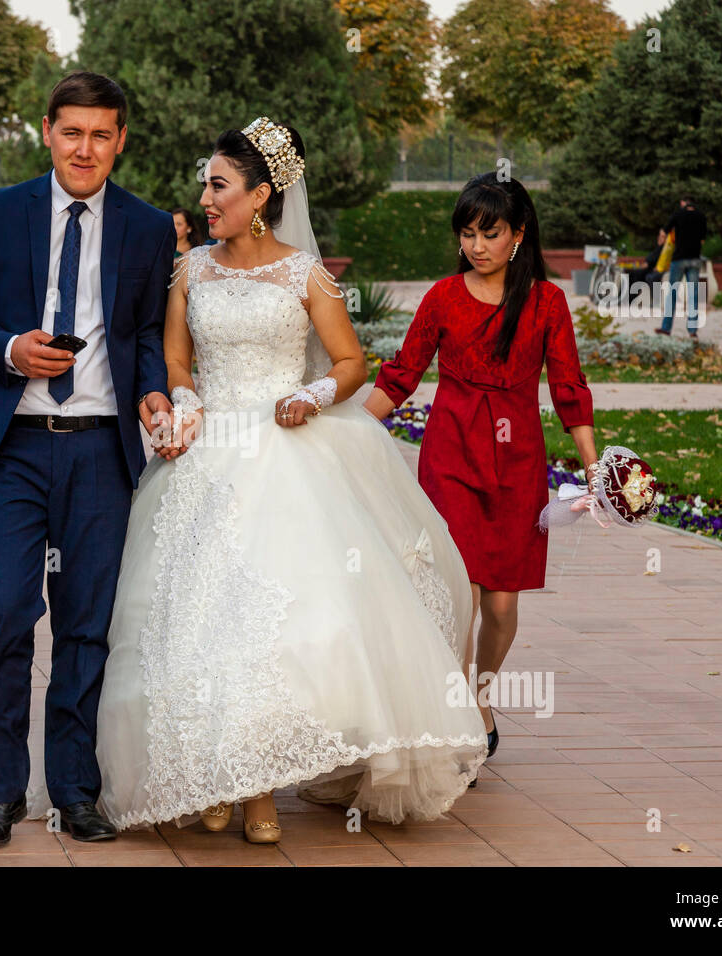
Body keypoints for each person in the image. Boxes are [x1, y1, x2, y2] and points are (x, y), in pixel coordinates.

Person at [96, 119, 486, 840]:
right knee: (195, 621)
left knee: (277, 625)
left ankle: (261, 787)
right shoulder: (191, 271)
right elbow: (176, 358)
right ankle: (213, 777)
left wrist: (313, 395)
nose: (204, 199)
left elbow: (349, 364)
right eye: (206, 185)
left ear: (261, 194)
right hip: (207, 453)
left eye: (218, 185)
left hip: (287, 449)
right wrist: (183, 402)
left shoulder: (306, 274)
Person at [0, 71, 176, 848]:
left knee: (87, 623)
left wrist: (154, 395)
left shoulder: (144, 227)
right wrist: (10, 348)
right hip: (12, 448)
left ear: (121, 140)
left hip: (103, 452)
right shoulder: (1, 212)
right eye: (72, 132)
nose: (86, 148)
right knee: (6, 611)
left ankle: (75, 790)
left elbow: (141, 334)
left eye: (101, 134)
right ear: (47, 131)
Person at [364, 172, 598, 768]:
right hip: (451, 457)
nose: (476, 245)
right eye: (467, 233)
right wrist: (354, 434)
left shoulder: (547, 302)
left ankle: (481, 693)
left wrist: (595, 466)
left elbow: (569, 387)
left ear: (518, 235)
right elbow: (401, 375)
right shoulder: (443, 297)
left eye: (490, 233)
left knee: (500, 606)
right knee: (459, 595)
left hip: (518, 462)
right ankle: (453, 718)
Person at [655, 195, 708, 339]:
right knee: (693, 295)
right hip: (695, 259)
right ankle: (692, 330)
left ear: (683, 203)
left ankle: (666, 328)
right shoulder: (701, 216)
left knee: (672, 293)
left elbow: (664, 232)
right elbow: (702, 239)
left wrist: (661, 238)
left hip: (679, 259)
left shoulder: (678, 215)